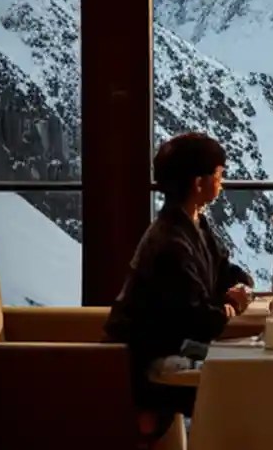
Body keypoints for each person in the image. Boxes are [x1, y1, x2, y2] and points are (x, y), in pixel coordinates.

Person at [103, 132, 254, 424]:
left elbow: (225, 270)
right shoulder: (169, 244)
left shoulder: (193, 222)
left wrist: (239, 285)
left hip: (176, 345)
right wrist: (233, 304)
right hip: (153, 359)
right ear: (199, 183)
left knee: (246, 360)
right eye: (218, 175)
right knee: (242, 376)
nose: (222, 182)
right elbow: (199, 321)